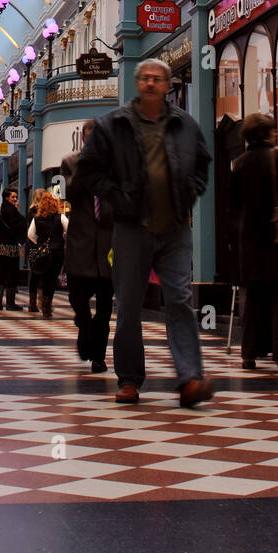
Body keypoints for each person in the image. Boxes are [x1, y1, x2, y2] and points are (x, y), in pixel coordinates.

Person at [76, 58, 213, 407]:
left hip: (175, 227)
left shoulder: (184, 123)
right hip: (131, 228)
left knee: (180, 299)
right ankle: (129, 380)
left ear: (168, 86)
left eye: (158, 79)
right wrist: (118, 198)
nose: (151, 83)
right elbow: (90, 169)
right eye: (145, 78)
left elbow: (201, 163)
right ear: (138, 84)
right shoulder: (113, 125)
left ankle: (189, 378)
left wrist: (190, 193)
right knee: (130, 304)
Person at [229, 112, 278, 374]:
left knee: (253, 299)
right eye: (273, 131)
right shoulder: (277, 159)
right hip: (277, 239)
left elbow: (234, 205)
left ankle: (248, 354)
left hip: (250, 241)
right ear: (266, 133)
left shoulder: (239, 164)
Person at [63, 120, 113, 373]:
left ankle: (99, 357)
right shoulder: (71, 162)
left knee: (105, 307)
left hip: (107, 248)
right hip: (80, 245)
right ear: (83, 139)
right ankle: (84, 325)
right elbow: (72, 194)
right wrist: (86, 165)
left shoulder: (113, 166)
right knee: (77, 299)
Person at [27, 193, 68, 317]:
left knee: (44, 278)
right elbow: (69, 230)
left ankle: (43, 306)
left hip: (43, 253)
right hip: (57, 252)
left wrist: (39, 243)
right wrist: (62, 240)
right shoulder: (60, 217)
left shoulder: (36, 219)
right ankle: (47, 306)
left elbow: (30, 234)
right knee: (52, 278)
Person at [0, 187, 26, 310]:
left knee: (1, 273)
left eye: (16, 197)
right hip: (10, 246)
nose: (15, 199)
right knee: (12, 274)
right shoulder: (12, 210)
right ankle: (10, 303)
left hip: (0, 246)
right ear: (7, 198)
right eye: (13, 197)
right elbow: (16, 226)